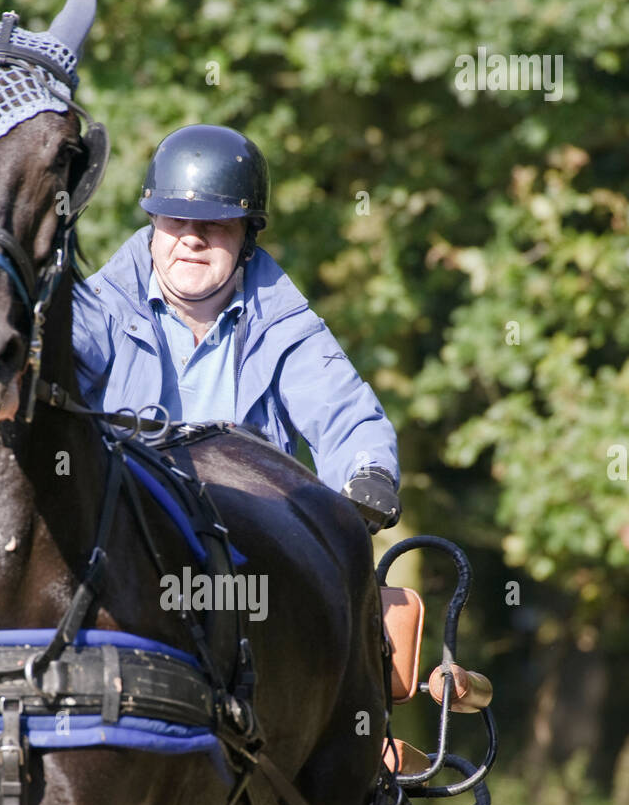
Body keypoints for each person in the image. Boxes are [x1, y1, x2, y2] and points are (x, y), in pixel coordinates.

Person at [72, 124, 401, 531]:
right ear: (153, 224)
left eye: (214, 224)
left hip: (249, 542)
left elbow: (345, 416)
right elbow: (42, 375)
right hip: (122, 537)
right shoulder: (93, 309)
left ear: (247, 239)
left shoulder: (287, 328)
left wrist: (370, 473)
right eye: (176, 220)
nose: (192, 239)